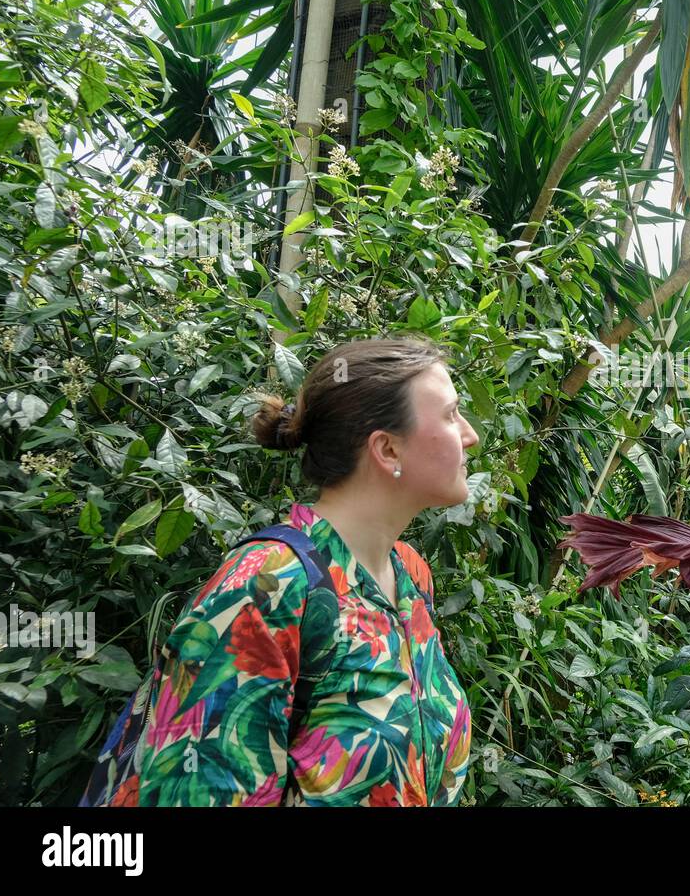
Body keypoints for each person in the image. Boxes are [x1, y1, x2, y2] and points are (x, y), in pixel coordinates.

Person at [109, 336, 478, 805]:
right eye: (450, 415)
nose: (470, 435)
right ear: (387, 450)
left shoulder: (409, 575)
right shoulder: (267, 585)